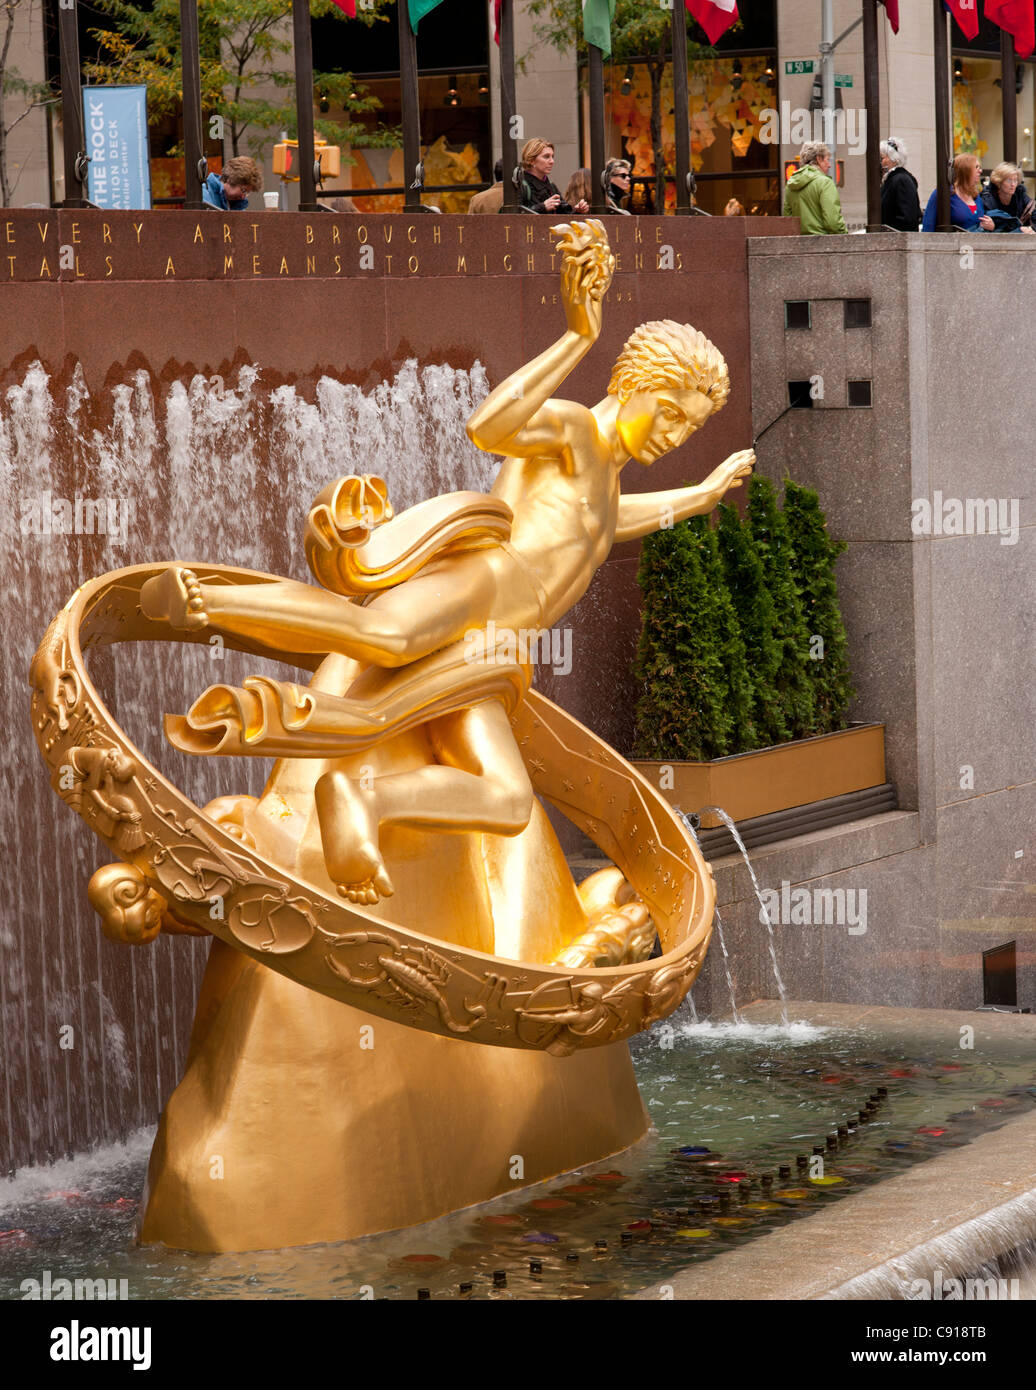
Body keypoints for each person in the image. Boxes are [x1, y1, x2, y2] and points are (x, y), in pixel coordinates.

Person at [141, 221, 754, 903]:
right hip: (485, 584)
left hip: (492, 654)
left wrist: (700, 497)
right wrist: (578, 334)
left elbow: (607, 530)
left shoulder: (606, 481)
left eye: (690, 430)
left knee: (506, 797)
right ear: (631, 384)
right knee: (379, 634)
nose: (674, 436)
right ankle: (202, 600)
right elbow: (490, 426)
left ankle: (364, 798)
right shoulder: (576, 432)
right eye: (669, 414)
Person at [782, 142, 847, 234]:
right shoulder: (825, 183)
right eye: (827, 160)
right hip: (824, 244)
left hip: (798, 245)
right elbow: (833, 222)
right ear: (819, 159)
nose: (829, 165)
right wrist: (844, 236)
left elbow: (787, 221)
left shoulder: (790, 185)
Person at [922, 153, 994, 232]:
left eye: (980, 167)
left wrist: (991, 225)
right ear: (965, 170)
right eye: (976, 167)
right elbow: (928, 226)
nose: (980, 171)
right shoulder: (944, 193)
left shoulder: (976, 197)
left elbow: (980, 225)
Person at [518, 138, 588, 214]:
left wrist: (578, 211)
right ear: (531, 160)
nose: (552, 161)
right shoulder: (520, 185)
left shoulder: (551, 187)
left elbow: (564, 218)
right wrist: (543, 207)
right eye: (546, 156)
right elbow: (513, 217)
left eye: (552, 156)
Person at [979, 162, 1036, 234]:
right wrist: (1019, 230)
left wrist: (1031, 229)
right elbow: (988, 227)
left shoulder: (1020, 194)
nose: (1013, 184)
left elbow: (1034, 213)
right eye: (1009, 180)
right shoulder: (987, 198)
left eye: (1015, 180)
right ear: (999, 181)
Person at [879, 137, 921, 231]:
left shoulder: (901, 180)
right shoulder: (892, 180)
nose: (880, 162)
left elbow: (907, 218)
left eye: (882, 158)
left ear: (894, 159)